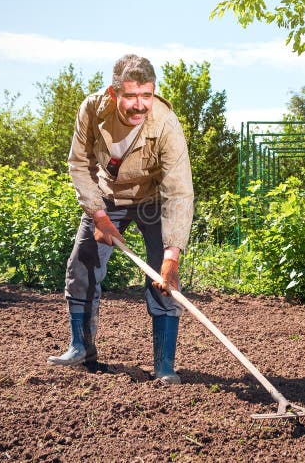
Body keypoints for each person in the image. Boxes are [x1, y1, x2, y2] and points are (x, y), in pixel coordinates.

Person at [47, 54, 194, 385]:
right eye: (131, 96)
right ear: (114, 94)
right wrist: (99, 216)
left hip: (153, 199)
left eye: (147, 95)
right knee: (82, 265)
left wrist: (172, 256)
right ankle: (81, 349)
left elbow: (179, 191)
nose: (140, 105)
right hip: (107, 197)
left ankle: (164, 366)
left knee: (162, 278)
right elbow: (79, 163)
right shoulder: (91, 109)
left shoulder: (167, 124)